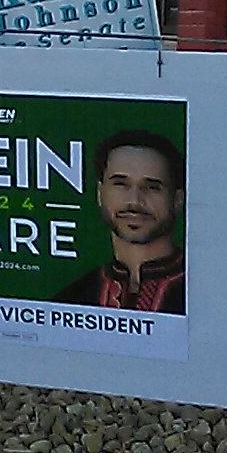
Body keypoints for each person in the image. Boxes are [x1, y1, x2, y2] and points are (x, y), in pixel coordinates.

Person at [56, 129, 186, 314]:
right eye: (120, 184)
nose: (134, 200)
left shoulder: (206, 291)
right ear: (100, 193)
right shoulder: (73, 299)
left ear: (177, 199)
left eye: (152, 187)